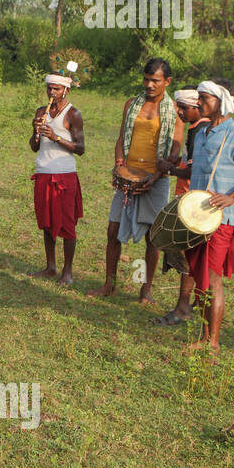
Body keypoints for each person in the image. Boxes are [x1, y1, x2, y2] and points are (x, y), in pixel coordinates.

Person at [176, 80, 234, 359]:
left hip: (221, 219)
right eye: (199, 99)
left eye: (204, 99)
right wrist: (170, 171)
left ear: (220, 101)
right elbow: (195, 172)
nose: (199, 103)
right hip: (196, 218)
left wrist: (232, 197)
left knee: (212, 279)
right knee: (200, 277)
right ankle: (204, 336)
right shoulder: (202, 133)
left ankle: (212, 342)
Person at [88, 58, 184, 303]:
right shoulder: (132, 104)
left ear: (167, 82)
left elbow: (175, 151)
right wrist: (120, 166)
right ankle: (109, 284)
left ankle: (146, 290)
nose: (149, 85)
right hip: (128, 179)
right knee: (112, 230)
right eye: (146, 79)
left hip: (156, 181)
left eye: (155, 80)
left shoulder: (175, 111)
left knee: (154, 236)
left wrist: (156, 177)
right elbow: (121, 139)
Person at [152, 86, 208, 325]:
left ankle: (183, 306)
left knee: (186, 255)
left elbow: (195, 169)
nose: (179, 112)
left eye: (183, 108)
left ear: (197, 107)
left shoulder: (201, 131)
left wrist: (172, 169)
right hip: (190, 196)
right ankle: (194, 302)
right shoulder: (196, 129)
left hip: (192, 200)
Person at [27, 73, 85, 284]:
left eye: (57, 89)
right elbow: (34, 147)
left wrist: (56, 137)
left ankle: (67, 271)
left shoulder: (73, 114)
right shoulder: (41, 112)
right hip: (43, 171)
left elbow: (80, 148)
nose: (52, 93)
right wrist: (36, 132)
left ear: (66, 91)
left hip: (64, 174)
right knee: (47, 221)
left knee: (68, 224)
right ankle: (50, 266)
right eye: (49, 88)